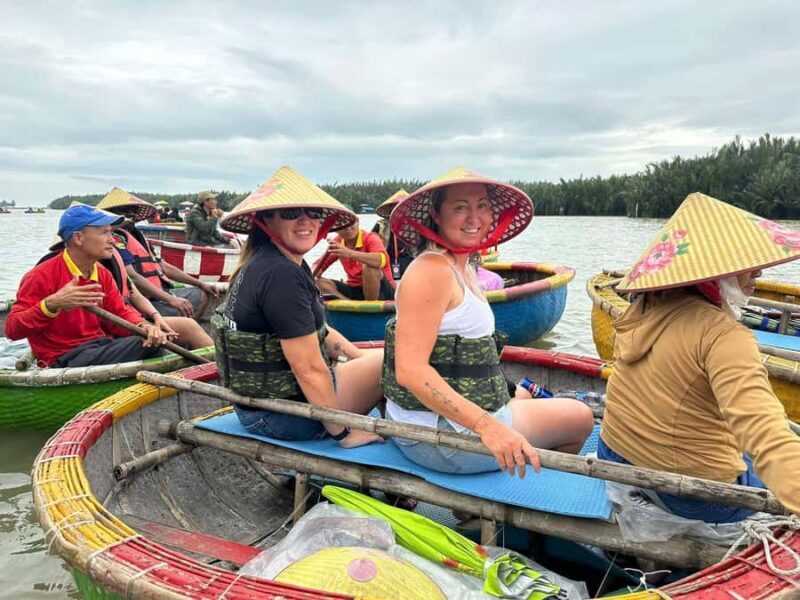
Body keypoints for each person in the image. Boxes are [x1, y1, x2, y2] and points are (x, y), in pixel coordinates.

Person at [600, 192, 800, 522]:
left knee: (747, 456)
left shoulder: (644, 305)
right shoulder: (725, 335)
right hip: (690, 495)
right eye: (747, 266)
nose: (758, 274)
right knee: (759, 460)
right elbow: (764, 433)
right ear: (715, 271)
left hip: (615, 456)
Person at [384, 167, 594, 477]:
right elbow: (411, 371)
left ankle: (488, 500)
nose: (474, 218)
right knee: (581, 418)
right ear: (436, 215)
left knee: (533, 402)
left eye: (482, 206)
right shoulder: (431, 270)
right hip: (441, 439)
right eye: (460, 207)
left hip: (444, 426)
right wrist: (489, 427)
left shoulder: (462, 265)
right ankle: (509, 501)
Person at [213, 166, 385, 448]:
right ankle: (406, 444)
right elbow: (307, 368)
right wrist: (343, 433)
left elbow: (321, 331)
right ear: (267, 219)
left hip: (260, 407)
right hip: (284, 416)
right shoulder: (281, 275)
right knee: (396, 361)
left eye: (313, 213)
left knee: (378, 357)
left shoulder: (271, 261)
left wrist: (358, 359)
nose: (305, 221)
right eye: (291, 213)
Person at [6, 205, 168, 368]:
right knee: (152, 346)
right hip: (65, 357)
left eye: (111, 232)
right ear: (78, 238)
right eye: (104, 232)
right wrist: (51, 305)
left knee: (154, 340)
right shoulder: (40, 276)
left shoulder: (102, 273)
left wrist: (144, 326)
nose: (112, 239)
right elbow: (13, 329)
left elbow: (119, 312)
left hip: (99, 346)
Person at [97, 188, 219, 319]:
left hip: (158, 294)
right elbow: (133, 277)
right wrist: (170, 299)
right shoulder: (115, 239)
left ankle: (184, 330)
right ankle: (181, 331)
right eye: (123, 211)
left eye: (133, 210)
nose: (130, 214)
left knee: (202, 293)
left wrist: (201, 283)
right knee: (185, 312)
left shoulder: (138, 236)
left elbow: (163, 266)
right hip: (141, 301)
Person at [315, 219, 396, 301]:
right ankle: (348, 303)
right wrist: (311, 274)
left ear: (357, 222)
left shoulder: (371, 238)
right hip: (354, 288)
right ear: (336, 229)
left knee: (370, 267)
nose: (347, 228)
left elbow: (381, 260)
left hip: (382, 290)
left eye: (351, 223)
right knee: (317, 282)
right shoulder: (338, 241)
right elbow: (319, 266)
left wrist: (350, 253)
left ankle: (369, 306)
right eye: (343, 224)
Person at [372, 189, 415, 280]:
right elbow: (370, 243)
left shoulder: (415, 224)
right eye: (396, 206)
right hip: (387, 260)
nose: (399, 209)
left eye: (403, 206)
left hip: (410, 261)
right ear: (391, 208)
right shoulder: (381, 224)